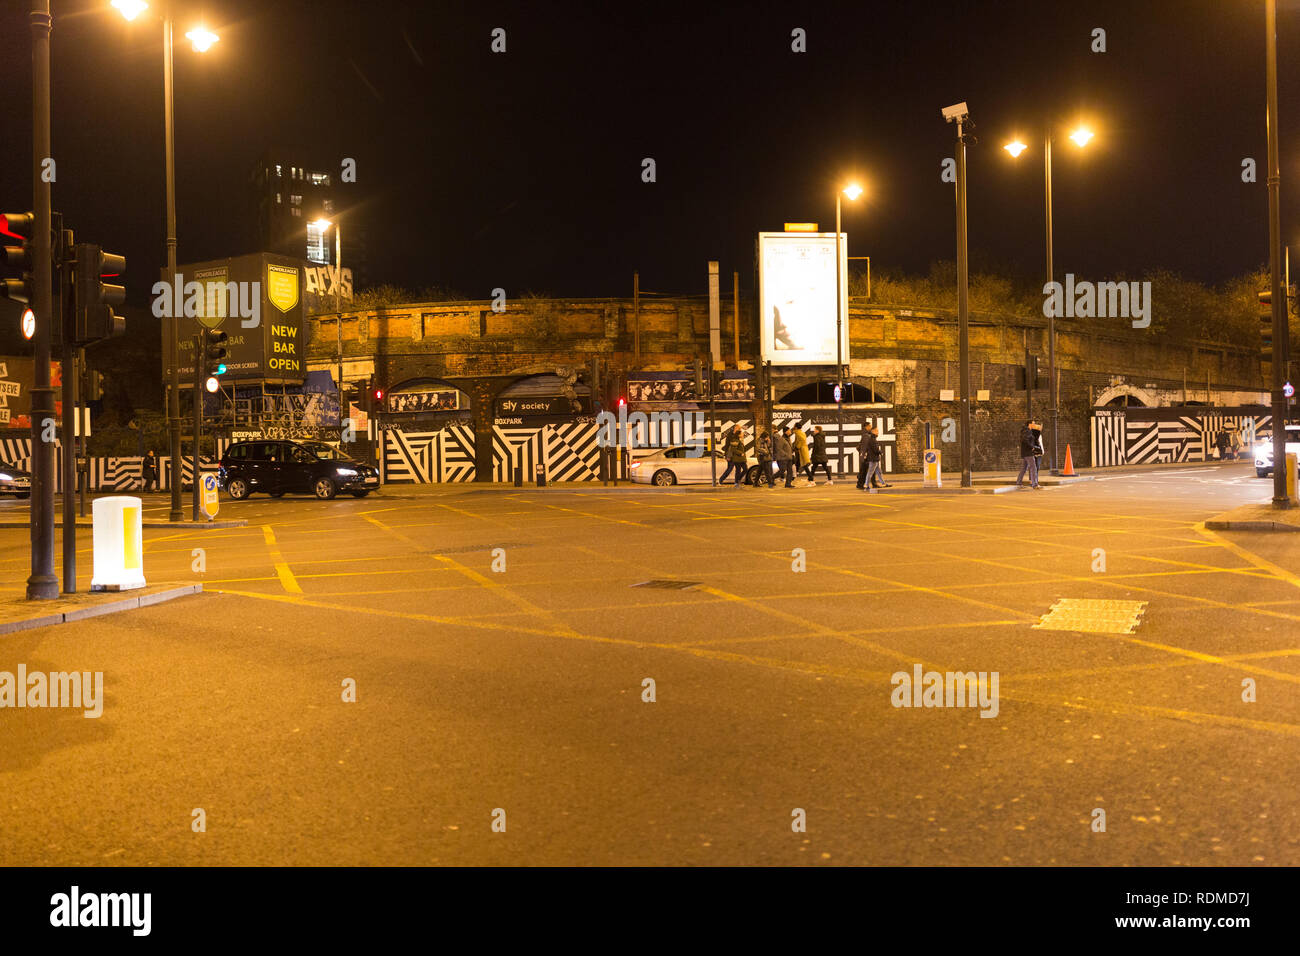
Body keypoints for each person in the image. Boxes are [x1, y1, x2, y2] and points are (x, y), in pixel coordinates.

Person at [857, 425, 885, 491]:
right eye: (877, 431)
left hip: (871, 457)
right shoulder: (869, 437)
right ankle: (865, 485)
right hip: (872, 458)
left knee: (878, 472)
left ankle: (882, 483)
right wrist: (880, 452)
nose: (878, 432)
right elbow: (874, 449)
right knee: (869, 472)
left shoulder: (868, 436)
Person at [1016, 420, 1043, 489]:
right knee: (1033, 467)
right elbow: (1025, 440)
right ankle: (1035, 484)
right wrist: (1032, 447)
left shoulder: (1027, 430)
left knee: (1024, 468)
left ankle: (1019, 483)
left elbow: (1032, 438)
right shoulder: (1027, 431)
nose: (1034, 425)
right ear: (1029, 424)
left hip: (1025, 452)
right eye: (1033, 424)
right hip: (1028, 452)